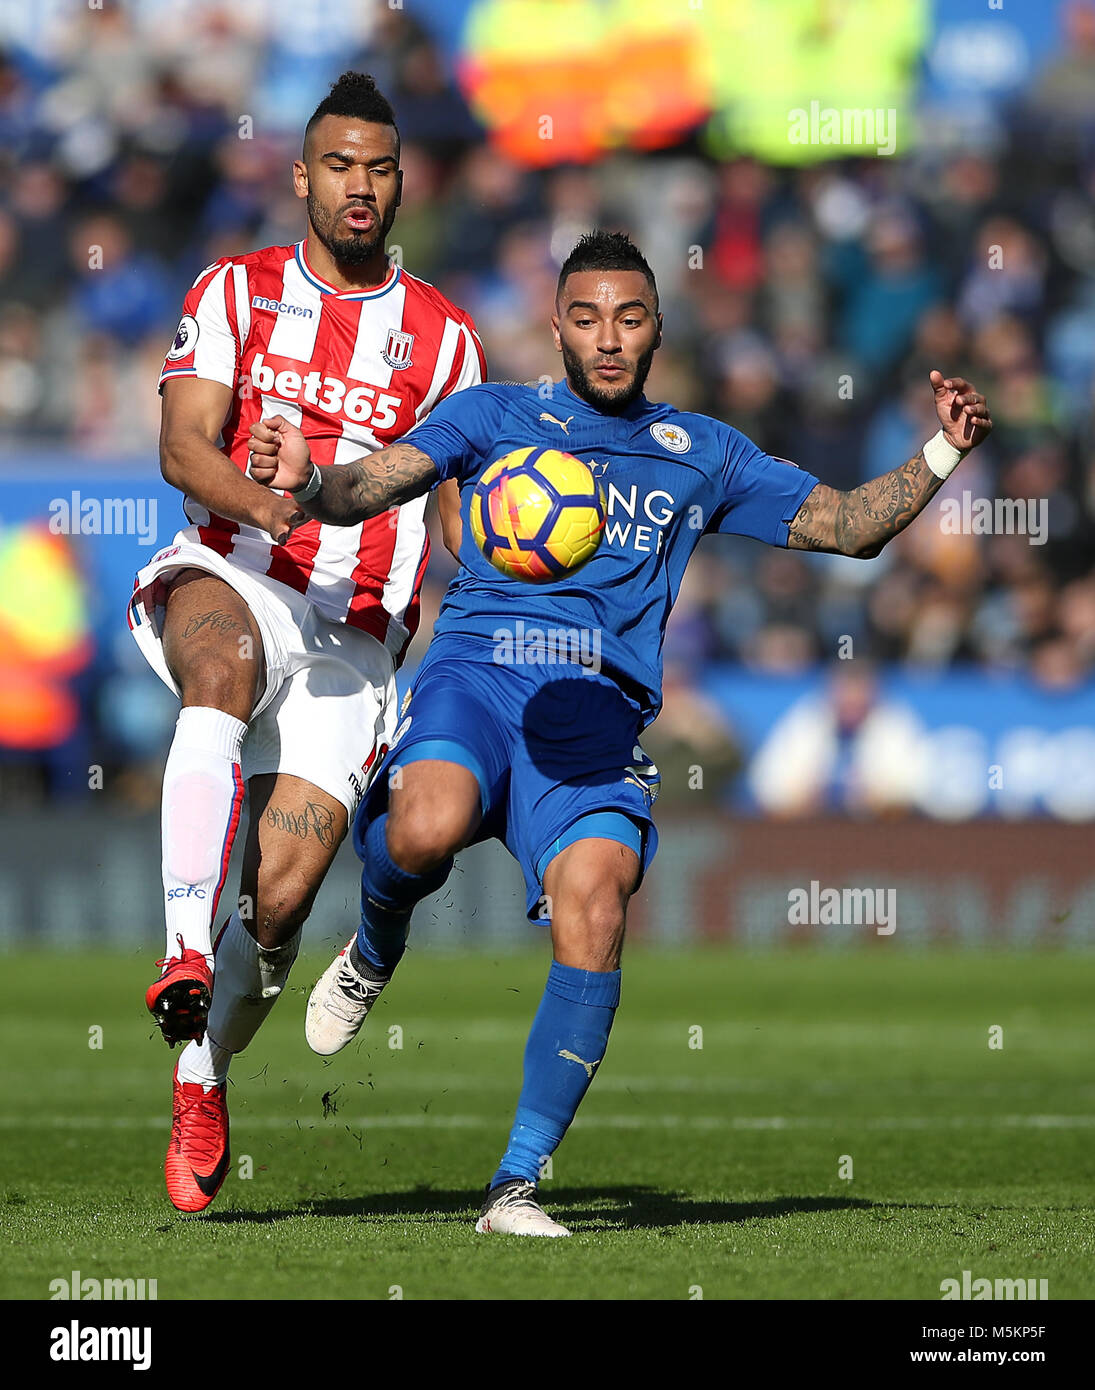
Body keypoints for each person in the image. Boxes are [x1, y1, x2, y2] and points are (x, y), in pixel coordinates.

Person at [246, 229, 992, 1236]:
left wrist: (944, 448)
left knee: (597, 905)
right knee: (423, 828)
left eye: (629, 318)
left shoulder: (704, 451)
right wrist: (308, 482)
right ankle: (376, 946)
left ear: (656, 330)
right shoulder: (494, 415)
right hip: (479, 676)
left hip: (597, 715)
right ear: (557, 326)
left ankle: (514, 1186)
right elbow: (366, 485)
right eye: (587, 317)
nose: (608, 338)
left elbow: (849, 526)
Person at [129, 71, 485, 1213]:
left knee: (278, 909)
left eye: (378, 168)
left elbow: (455, 520)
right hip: (234, 569)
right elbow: (184, 448)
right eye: (338, 166)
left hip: (356, 640)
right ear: (301, 178)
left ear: (402, 183)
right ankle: (183, 951)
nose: (359, 186)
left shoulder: (448, 340)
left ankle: (202, 1070)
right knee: (219, 672)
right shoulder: (233, 291)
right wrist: (271, 508)